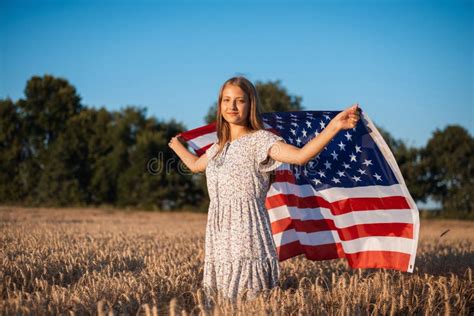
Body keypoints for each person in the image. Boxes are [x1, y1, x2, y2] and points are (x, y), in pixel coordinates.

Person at [168, 76, 360, 306]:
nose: (232, 106)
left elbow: (300, 156)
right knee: (220, 302)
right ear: (220, 105)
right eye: (226, 100)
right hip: (218, 230)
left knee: (246, 299)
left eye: (239, 101)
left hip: (246, 227)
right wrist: (176, 145)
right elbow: (195, 166)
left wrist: (334, 126)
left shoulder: (261, 140)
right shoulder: (218, 147)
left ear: (251, 105)